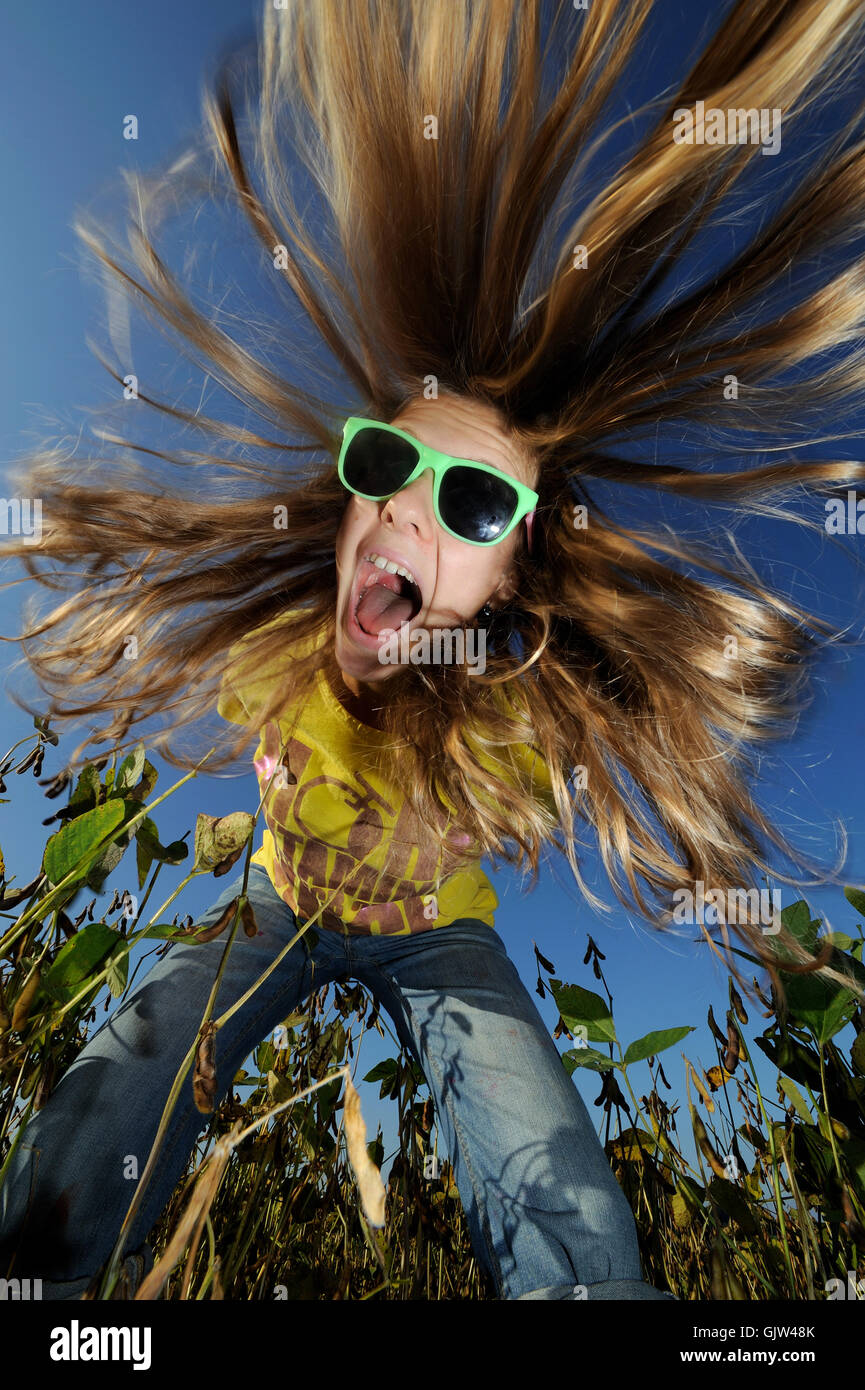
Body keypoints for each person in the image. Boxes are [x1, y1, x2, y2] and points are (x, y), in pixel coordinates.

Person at [2, 0, 864, 1301]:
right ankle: (38, 1273)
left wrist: (434, 841)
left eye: (470, 507)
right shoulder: (285, 643)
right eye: (387, 463)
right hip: (281, 912)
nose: (408, 505)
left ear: (510, 577)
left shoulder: (510, 710)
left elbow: (503, 822)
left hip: (431, 940)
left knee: (535, 1140)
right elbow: (258, 737)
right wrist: (276, 798)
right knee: (134, 1063)